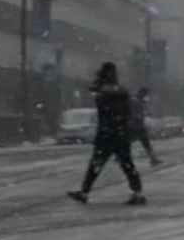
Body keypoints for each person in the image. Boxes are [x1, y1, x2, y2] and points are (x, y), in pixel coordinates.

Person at [68, 62, 146, 205]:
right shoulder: (121, 90)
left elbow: (97, 95)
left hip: (106, 132)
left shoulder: (103, 90)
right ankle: (138, 192)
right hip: (121, 133)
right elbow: (127, 112)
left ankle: (84, 192)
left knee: (96, 164)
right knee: (127, 164)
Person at [131, 86, 160, 167]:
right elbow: (133, 113)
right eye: (145, 94)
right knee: (143, 143)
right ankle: (153, 159)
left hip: (138, 125)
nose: (146, 96)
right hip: (135, 126)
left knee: (145, 143)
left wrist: (145, 114)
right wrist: (139, 116)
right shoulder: (135, 101)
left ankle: (153, 159)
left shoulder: (141, 101)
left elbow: (140, 112)